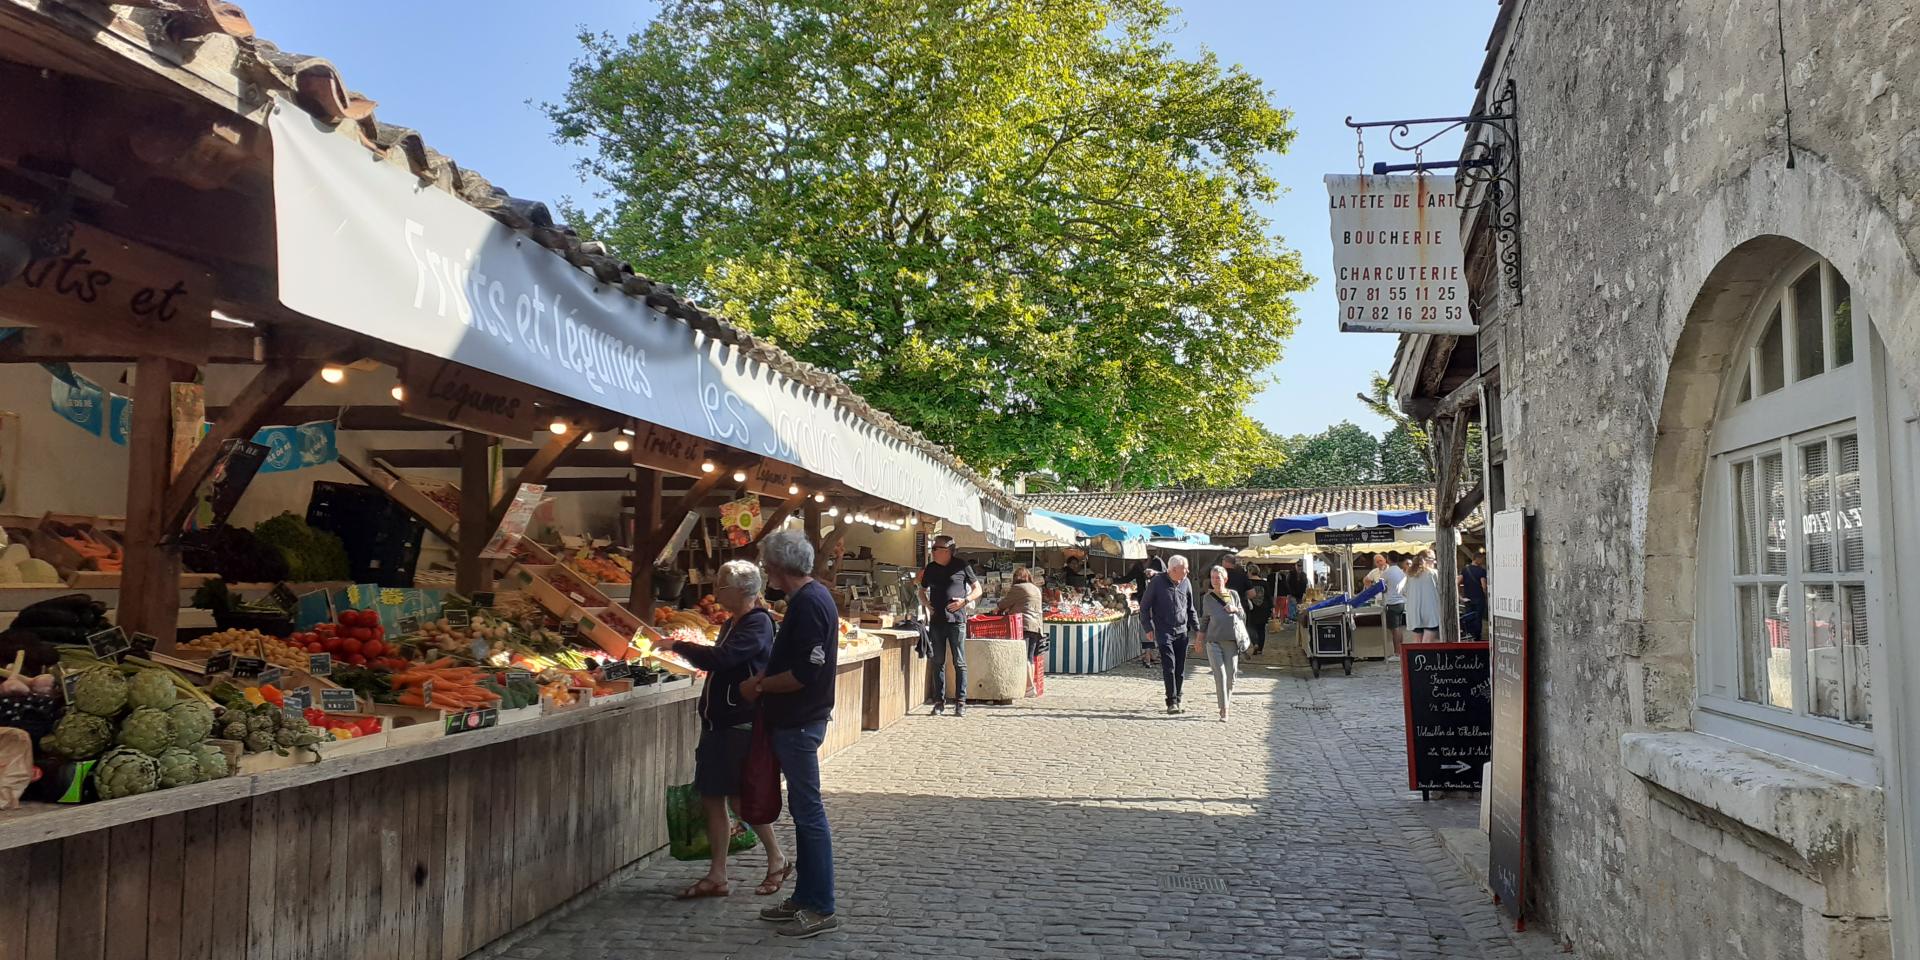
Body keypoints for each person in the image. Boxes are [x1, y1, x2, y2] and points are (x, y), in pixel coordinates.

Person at [656, 560, 788, 900]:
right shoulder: (736, 621)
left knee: (734, 799)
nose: (716, 593)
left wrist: (677, 646)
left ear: (741, 591)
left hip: (736, 724)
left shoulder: (756, 624)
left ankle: (774, 859)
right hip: (721, 722)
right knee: (716, 797)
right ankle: (722, 873)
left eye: (721, 587)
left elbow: (723, 659)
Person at [741, 530, 840, 939]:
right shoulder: (806, 600)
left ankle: (820, 906)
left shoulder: (810, 604)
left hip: (800, 720)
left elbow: (805, 672)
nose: (765, 570)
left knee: (809, 813)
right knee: (803, 813)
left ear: (779, 568)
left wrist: (762, 686)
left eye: (767, 564)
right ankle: (804, 897)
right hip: (794, 719)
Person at [918, 535, 980, 716]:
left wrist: (965, 601)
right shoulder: (930, 568)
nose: (933, 552)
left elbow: (978, 589)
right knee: (938, 662)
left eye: (935, 549)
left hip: (957, 621)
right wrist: (926, 604)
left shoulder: (962, 565)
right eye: (932, 548)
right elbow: (921, 590)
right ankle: (939, 701)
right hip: (937, 621)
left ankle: (961, 702)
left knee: (959, 662)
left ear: (947, 551)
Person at [1138, 555, 1200, 714]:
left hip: (1182, 631)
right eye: (1184, 568)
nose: (1188, 571)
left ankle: (1178, 698)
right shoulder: (1157, 582)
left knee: (1180, 667)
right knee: (1169, 665)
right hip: (1164, 630)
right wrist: (1148, 628)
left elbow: (1191, 608)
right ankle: (1171, 701)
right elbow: (1144, 607)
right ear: (1173, 570)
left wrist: (1198, 631)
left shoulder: (1186, 582)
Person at [1198, 565, 1247, 722]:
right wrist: (1199, 640)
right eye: (1212, 578)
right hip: (1213, 641)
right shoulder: (1207, 598)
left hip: (1231, 641)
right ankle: (1224, 709)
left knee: (1231, 675)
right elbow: (1205, 620)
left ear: (1225, 579)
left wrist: (1235, 610)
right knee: (1220, 674)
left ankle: (1227, 703)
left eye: (1218, 578)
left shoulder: (1233, 595)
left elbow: (1243, 615)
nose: (1215, 581)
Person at [996, 567, 1047, 697]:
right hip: (1037, 626)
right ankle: (1030, 685)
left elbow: (1003, 604)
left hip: (1024, 625)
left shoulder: (1018, 588)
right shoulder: (1036, 589)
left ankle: (1029, 687)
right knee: (1030, 658)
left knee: (1023, 657)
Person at [1363, 552, 1409, 661]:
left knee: (1395, 629)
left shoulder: (1387, 573)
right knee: (1399, 628)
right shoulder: (1401, 572)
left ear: (1387, 559)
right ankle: (1401, 651)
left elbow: (1381, 588)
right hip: (1401, 602)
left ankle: (1397, 653)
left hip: (1392, 603)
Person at [1402, 551, 1443, 643]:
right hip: (1430, 612)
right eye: (1433, 560)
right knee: (1427, 642)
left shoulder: (1409, 574)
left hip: (1414, 612)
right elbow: (1443, 591)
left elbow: (1404, 591)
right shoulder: (1433, 573)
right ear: (1428, 560)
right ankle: (1425, 657)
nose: (1435, 562)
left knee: (1417, 641)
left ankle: (1417, 657)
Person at [1136, 556, 1166, 667]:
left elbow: (1167, 575)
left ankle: (1153, 654)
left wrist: (1155, 573)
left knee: (1156, 627)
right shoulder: (1138, 564)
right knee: (1146, 628)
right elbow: (1129, 577)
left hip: (1158, 602)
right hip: (1144, 600)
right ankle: (1148, 655)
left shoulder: (1157, 561)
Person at [1460, 550, 1489, 640]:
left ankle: (1470, 635)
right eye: (1482, 559)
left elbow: (1457, 582)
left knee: (1469, 617)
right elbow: (1484, 586)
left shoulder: (1465, 569)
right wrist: (1486, 595)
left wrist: (1460, 597)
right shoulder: (1481, 571)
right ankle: (1477, 637)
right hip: (1479, 598)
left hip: (1467, 598)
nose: (1483, 561)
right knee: (1478, 618)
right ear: (1477, 559)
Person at [1245, 583, 1271, 656]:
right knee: (1261, 629)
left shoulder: (1249, 582)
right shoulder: (1264, 583)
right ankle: (1260, 649)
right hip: (1263, 608)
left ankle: (1255, 643)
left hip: (1251, 608)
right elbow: (1268, 596)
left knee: (1251, 627)